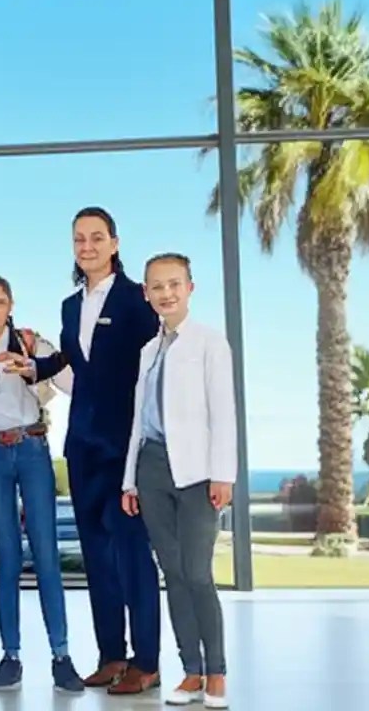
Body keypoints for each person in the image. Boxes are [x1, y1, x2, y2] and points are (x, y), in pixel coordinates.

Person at [26, 206, 163, 695]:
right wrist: (35, 368)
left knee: (132, 555)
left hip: (125, 448)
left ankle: (146, 661)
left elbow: (152, 372)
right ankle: (111, 655)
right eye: (79, 239)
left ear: (115, 243)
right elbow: (74, 365)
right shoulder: (69, 305)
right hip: (81, 446)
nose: (87, 246)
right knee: (96, 556)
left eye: (97, 238)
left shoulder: (135, 300)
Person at [121, 253, 235, 709]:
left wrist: (223, 474)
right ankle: (190, 671)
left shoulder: (210, 343)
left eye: (174, 284)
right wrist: (130, 480)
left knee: (197, 573)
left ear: (190, 288)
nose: (165, 293)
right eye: (156, 286)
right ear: (146, 293)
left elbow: (223, 413)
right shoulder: (149, 351)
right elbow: (138, 421)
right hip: (151, 468)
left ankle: (217, 673)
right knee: (172, 573)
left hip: (196, 472)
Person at [0, 274, 85, 693]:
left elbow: (73, 381)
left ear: (11, 305)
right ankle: (10, 656)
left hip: (32, 450)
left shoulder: (32, 343)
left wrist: (37, 369)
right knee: (8, 556)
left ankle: (62, 655)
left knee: (46, 553)